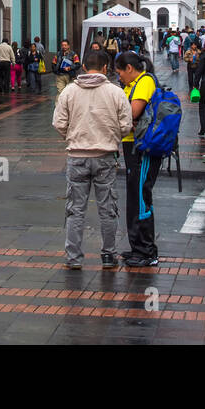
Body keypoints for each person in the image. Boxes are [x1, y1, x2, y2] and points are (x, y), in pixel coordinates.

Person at [53, 49, 133, 270]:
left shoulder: (69, 92)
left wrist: (71, 136)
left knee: (75, 209)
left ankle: (74, 258)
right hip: (105, 156)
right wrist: (112, 137)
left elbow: (58, 122)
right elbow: (126, 125)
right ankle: (108, 255)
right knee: (107, 208)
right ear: (106, 68)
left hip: (77, 156)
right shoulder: (116, 92)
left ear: (84, 67)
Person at [115, 50, 162, 267]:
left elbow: (132, 112)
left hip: (142, 146)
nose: (119, 77)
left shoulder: (144, 82)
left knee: (142, 195)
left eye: (120, 72)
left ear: (130, 69)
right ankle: (136, 246)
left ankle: (147, 250)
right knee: (134, 194)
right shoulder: (131, 85)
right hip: (131, 143)